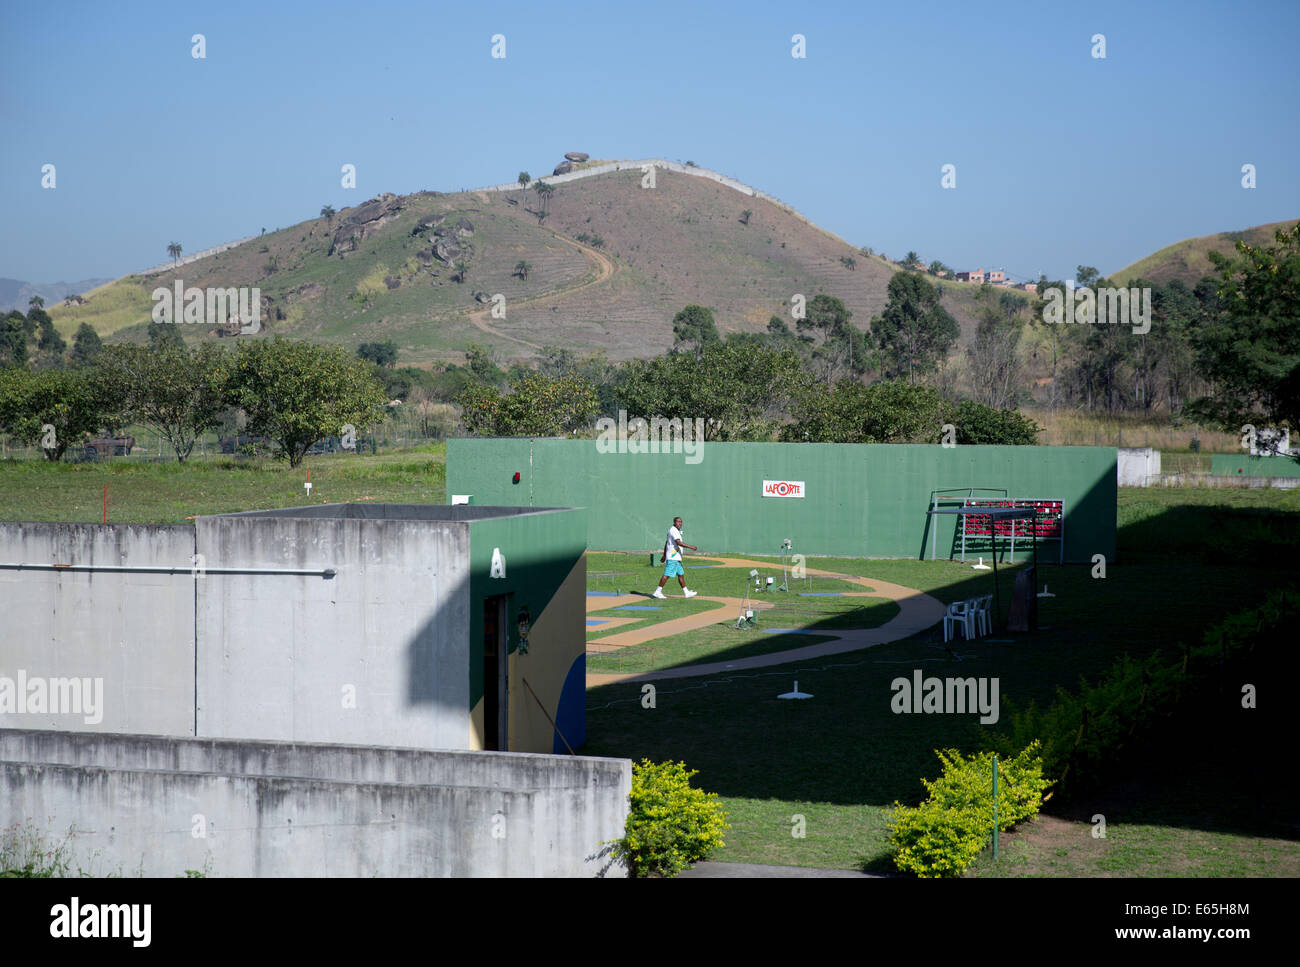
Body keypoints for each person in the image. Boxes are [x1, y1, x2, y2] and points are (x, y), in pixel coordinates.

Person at [653, 516, 698, 599]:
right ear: (674, 522)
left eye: (681, 522)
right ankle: (657, 592)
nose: (680, 523)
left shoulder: (677, 531)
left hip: (676, 558)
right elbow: (678, 543)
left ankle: (686, 592)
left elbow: (667, 543)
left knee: (681, 575)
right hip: (673, 558)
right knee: (667, 575)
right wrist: (691, 547)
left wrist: (664, 555)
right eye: (678, 522)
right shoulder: (673, 530)